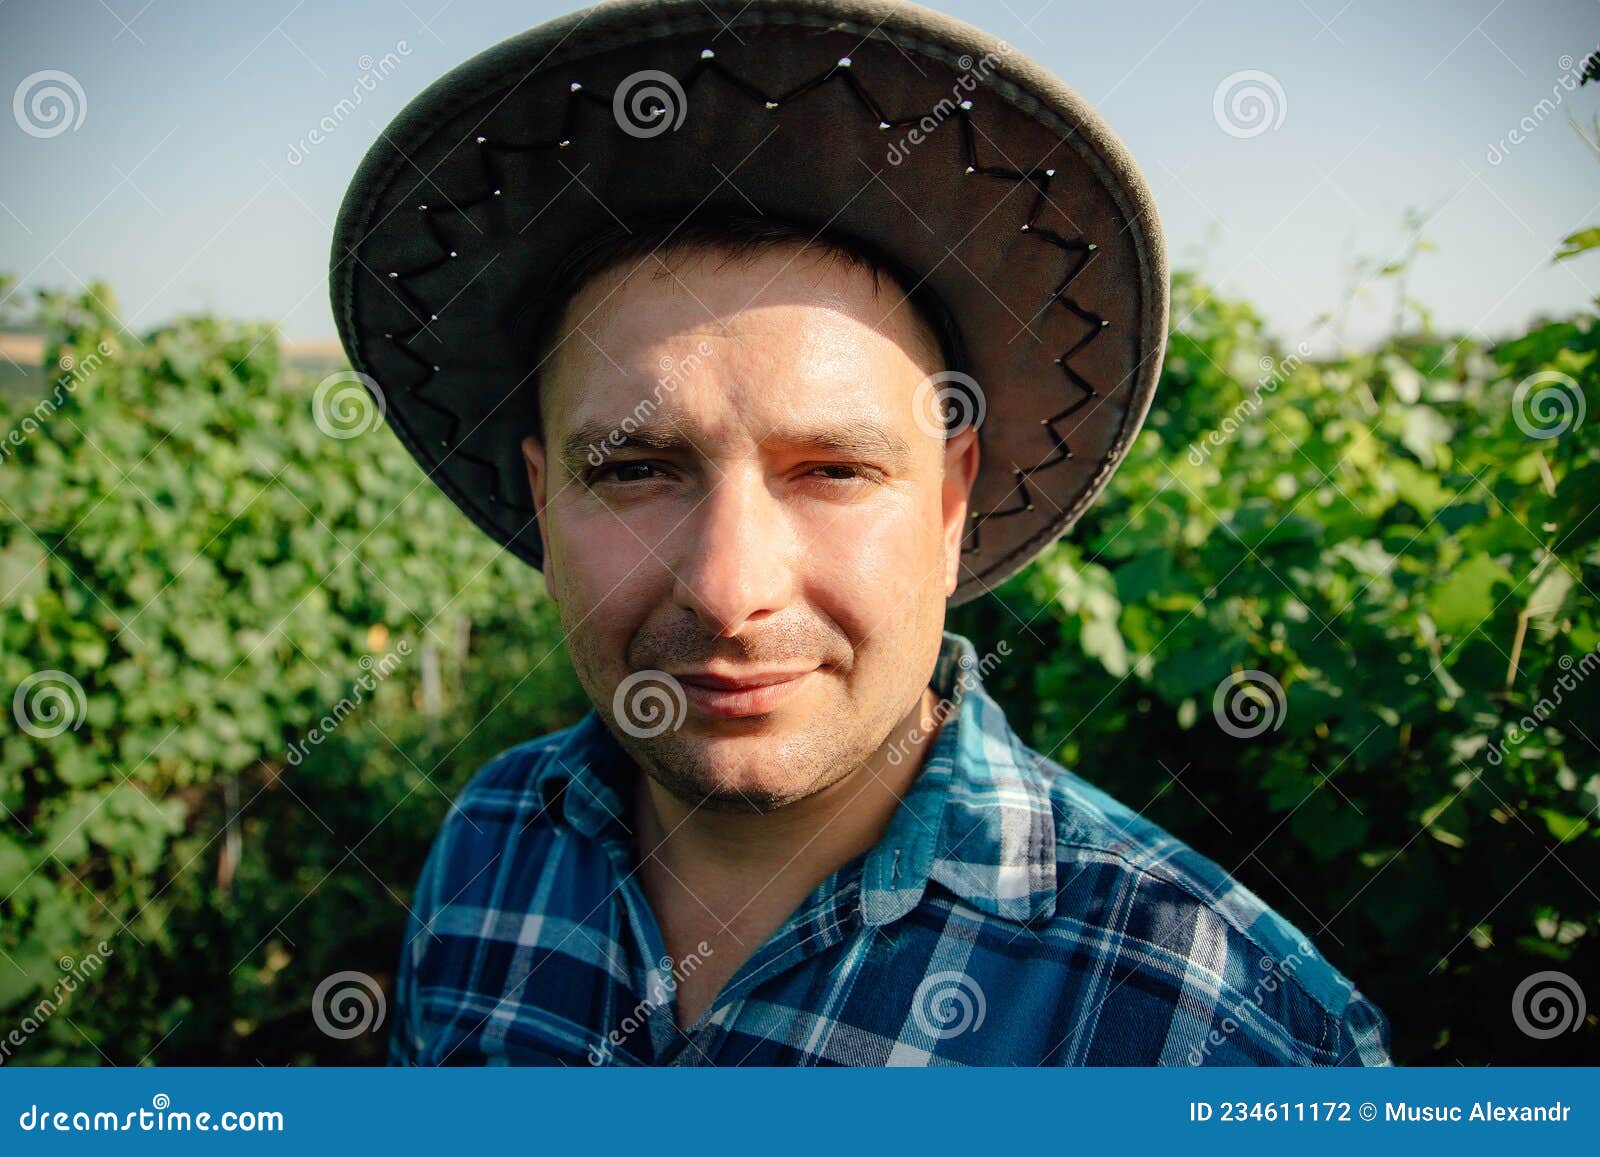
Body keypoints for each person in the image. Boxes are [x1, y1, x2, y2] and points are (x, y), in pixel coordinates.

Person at [329, 0, 1391, 1066]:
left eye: (832, 471)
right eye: (636, 469)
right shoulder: (491, 842)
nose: (726, 586)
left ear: (946, 502)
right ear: (544, 504)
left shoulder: (1218, 1022)